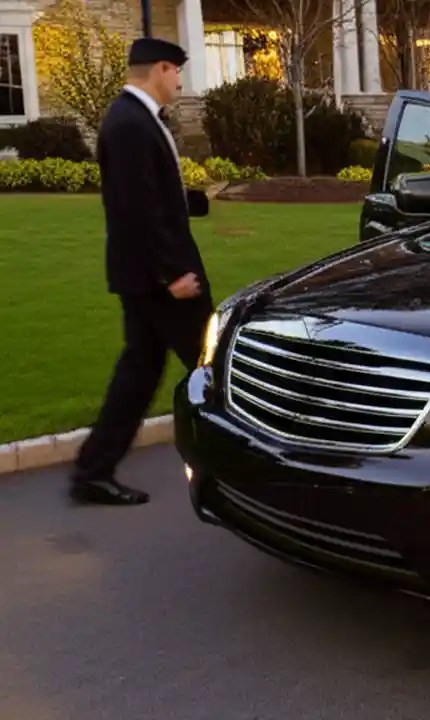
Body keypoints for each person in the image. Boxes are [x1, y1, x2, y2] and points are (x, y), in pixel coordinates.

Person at [69, 38, 212, 506]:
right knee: (214, 365)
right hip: (160, 281)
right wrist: (171, 276)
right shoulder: (131, 123)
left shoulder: (134, 119)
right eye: (177, 74)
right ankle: (254, 466)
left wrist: (191, 200)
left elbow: (150, 196)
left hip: (144, 276)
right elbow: (135, 210)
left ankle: (93, 469)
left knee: (139, 373)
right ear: (161, 68)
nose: (179, 82)